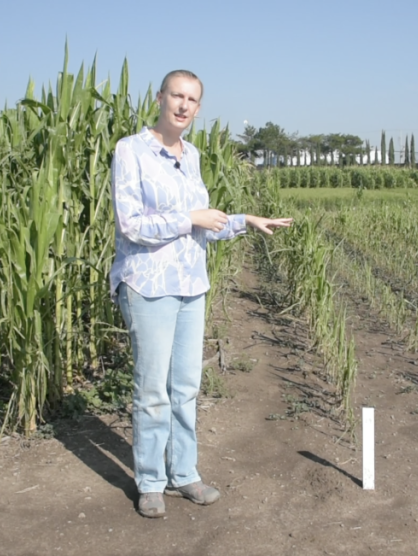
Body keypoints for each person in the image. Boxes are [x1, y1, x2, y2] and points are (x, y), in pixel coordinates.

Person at [109, 69, 292, 518]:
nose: (184, 106)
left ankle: (184, 473)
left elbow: (203, 223)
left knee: (186, 386)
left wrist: (244, 220)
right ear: (160, 97)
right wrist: (188, 217)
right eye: (177, 95)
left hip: (192, 284)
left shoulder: (190, 156)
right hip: (148, 284)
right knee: (152, 389)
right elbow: (131, 224)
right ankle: (150, 481)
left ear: (198, 107)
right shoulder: (131, 151)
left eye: (192, 99)